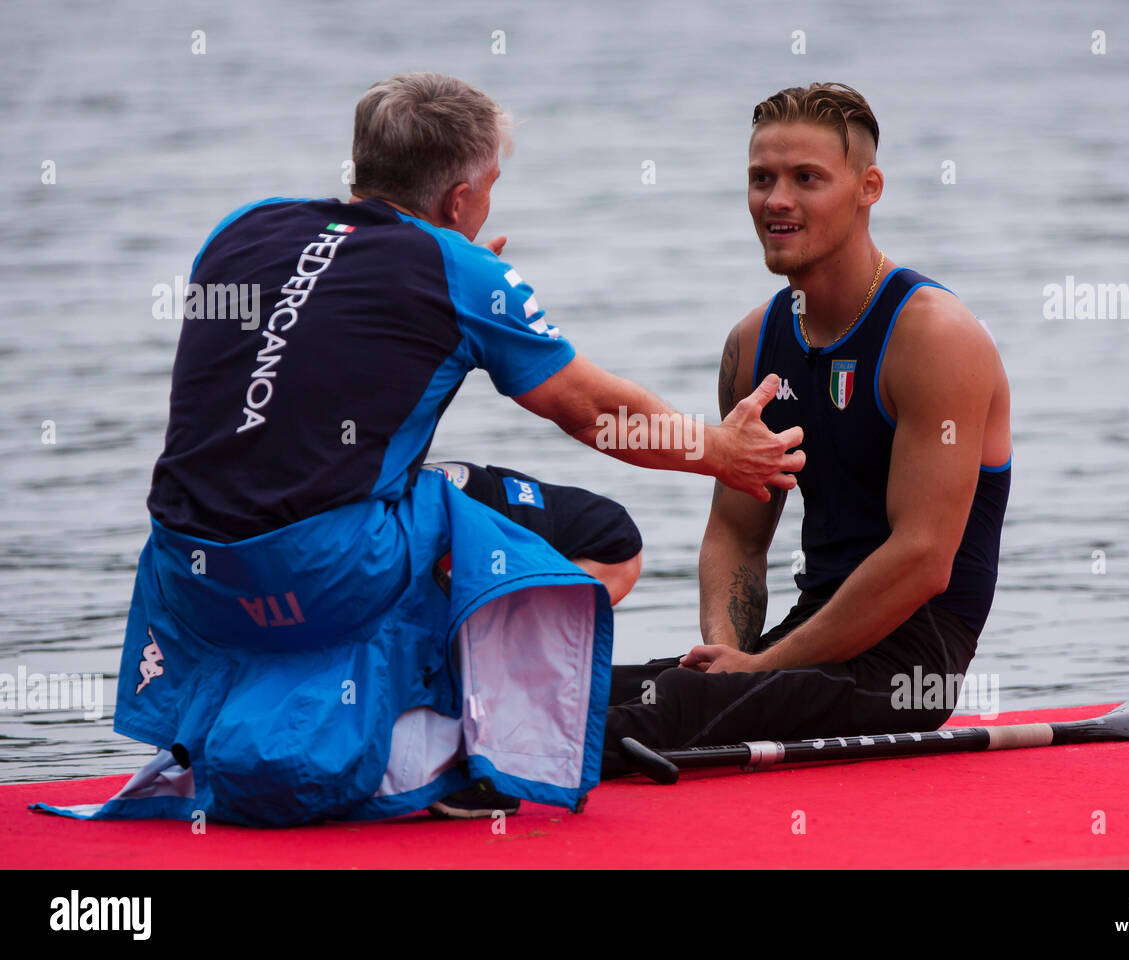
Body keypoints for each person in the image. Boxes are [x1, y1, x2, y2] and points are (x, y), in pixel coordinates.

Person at [37, 72, 804, 826]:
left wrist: (456, 289)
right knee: (608, 541)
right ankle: (446, 746)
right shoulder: (460, 270)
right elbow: (597, 416)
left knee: (369, 489)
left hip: (187, 577)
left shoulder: (243, 226)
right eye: (490, 188)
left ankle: (294, 715)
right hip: (321, 576)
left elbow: (296, 367)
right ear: (460, 201)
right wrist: (721, 450)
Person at [602, 82, 1012, 776]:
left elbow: (922, 559)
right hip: (811, 639)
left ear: (867, 187)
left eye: (806, 179)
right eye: (762, 179)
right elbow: (737, 532)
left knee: (663, 712)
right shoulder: (754, 342)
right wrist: (727, 653)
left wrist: (756, 669)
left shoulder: (934, 338)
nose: (776, 200)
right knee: (591, 684)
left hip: (912, 663)